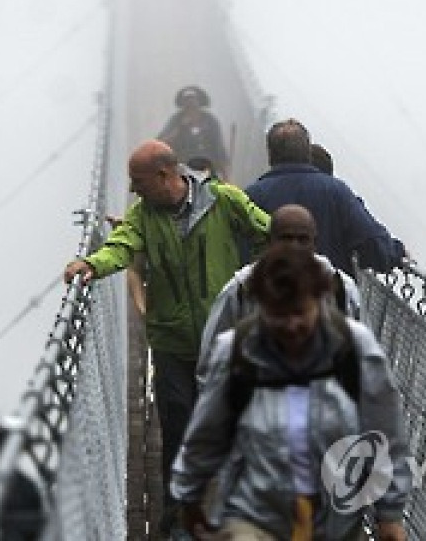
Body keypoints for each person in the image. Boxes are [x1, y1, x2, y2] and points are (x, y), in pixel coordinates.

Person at [63, 139, 269, 534]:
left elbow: (268, 229)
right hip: (171, 342)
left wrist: (254, 279)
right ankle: (179, 517)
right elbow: (121, 248)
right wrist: (93, 264)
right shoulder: (142, 217)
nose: (133, 190)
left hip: (225, 340)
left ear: (163, 175)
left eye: (137, 181)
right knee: (177, 428)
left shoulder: (225, 201)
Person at [170, 244, 412, 541]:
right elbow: (206, 434)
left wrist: (390, 514)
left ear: (320, 301)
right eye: (279, 315)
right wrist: (190, 496)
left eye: (300, 312)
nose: (291, 325)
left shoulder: (355, 349)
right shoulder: (235, 351)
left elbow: (385, 432)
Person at [196, 204, 362, 387]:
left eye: (302, 239)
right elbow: (211, 360)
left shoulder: (341, 290)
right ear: (269, 242)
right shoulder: (241, 290)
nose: (294, 248)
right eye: (286, 239)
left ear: (315, 244)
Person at [246, 119, 405, 276]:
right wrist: (396, 252)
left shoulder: (252, 197)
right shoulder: (337, 192)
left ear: (270, 154)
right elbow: (373, 245)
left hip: (268, 296)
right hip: (326, 295)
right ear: (307, 151)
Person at [157, 85, 230, 180]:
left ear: (199, 102)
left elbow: (219, 148)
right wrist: (180, 128)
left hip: (207, 170)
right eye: (187, 101)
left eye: (193, 100)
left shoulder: (210, 120)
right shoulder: (176, 120)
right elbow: (161, 143)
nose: (191, 104)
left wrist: (226, 176)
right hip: (183, 170)